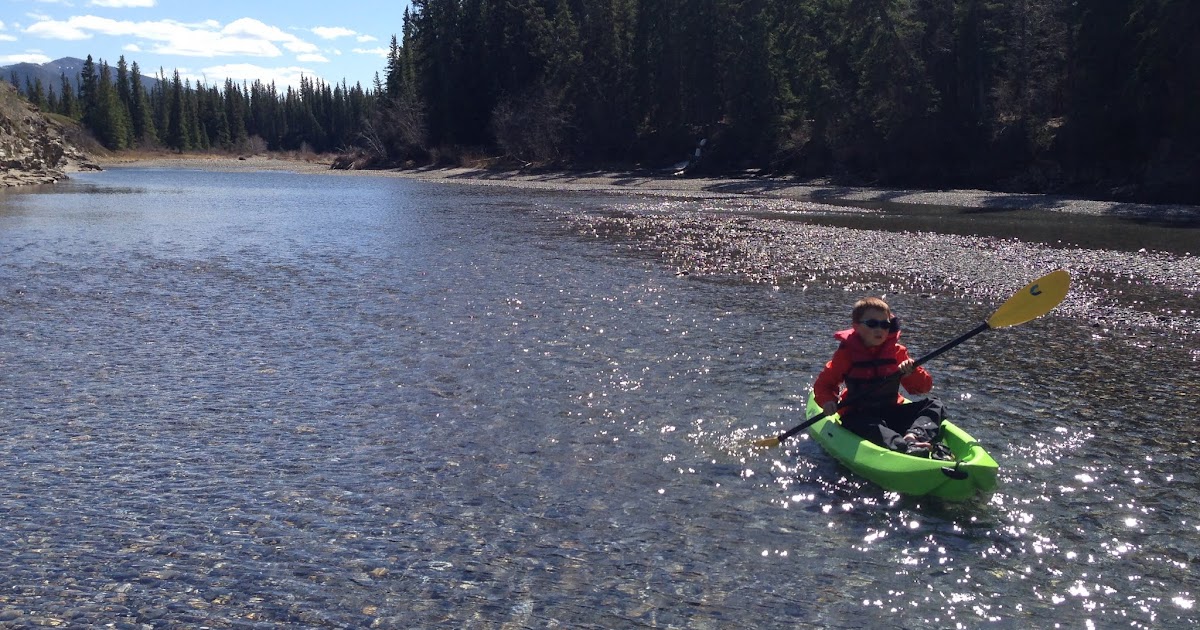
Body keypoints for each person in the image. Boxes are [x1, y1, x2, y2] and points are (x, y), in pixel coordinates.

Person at [812, 296, 945, 457]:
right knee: (870, 426)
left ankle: (914, 436)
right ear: (856, 327)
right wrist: (828, 401)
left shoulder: (897, 353)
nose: (880, 329)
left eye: (885, 325)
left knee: (934, 404)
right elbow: (824, 384)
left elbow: (924, 388)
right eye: (872, 324)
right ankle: (902, 446)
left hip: (891, 411)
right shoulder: (846, 355)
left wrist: (912, 372)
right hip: (860, 415)